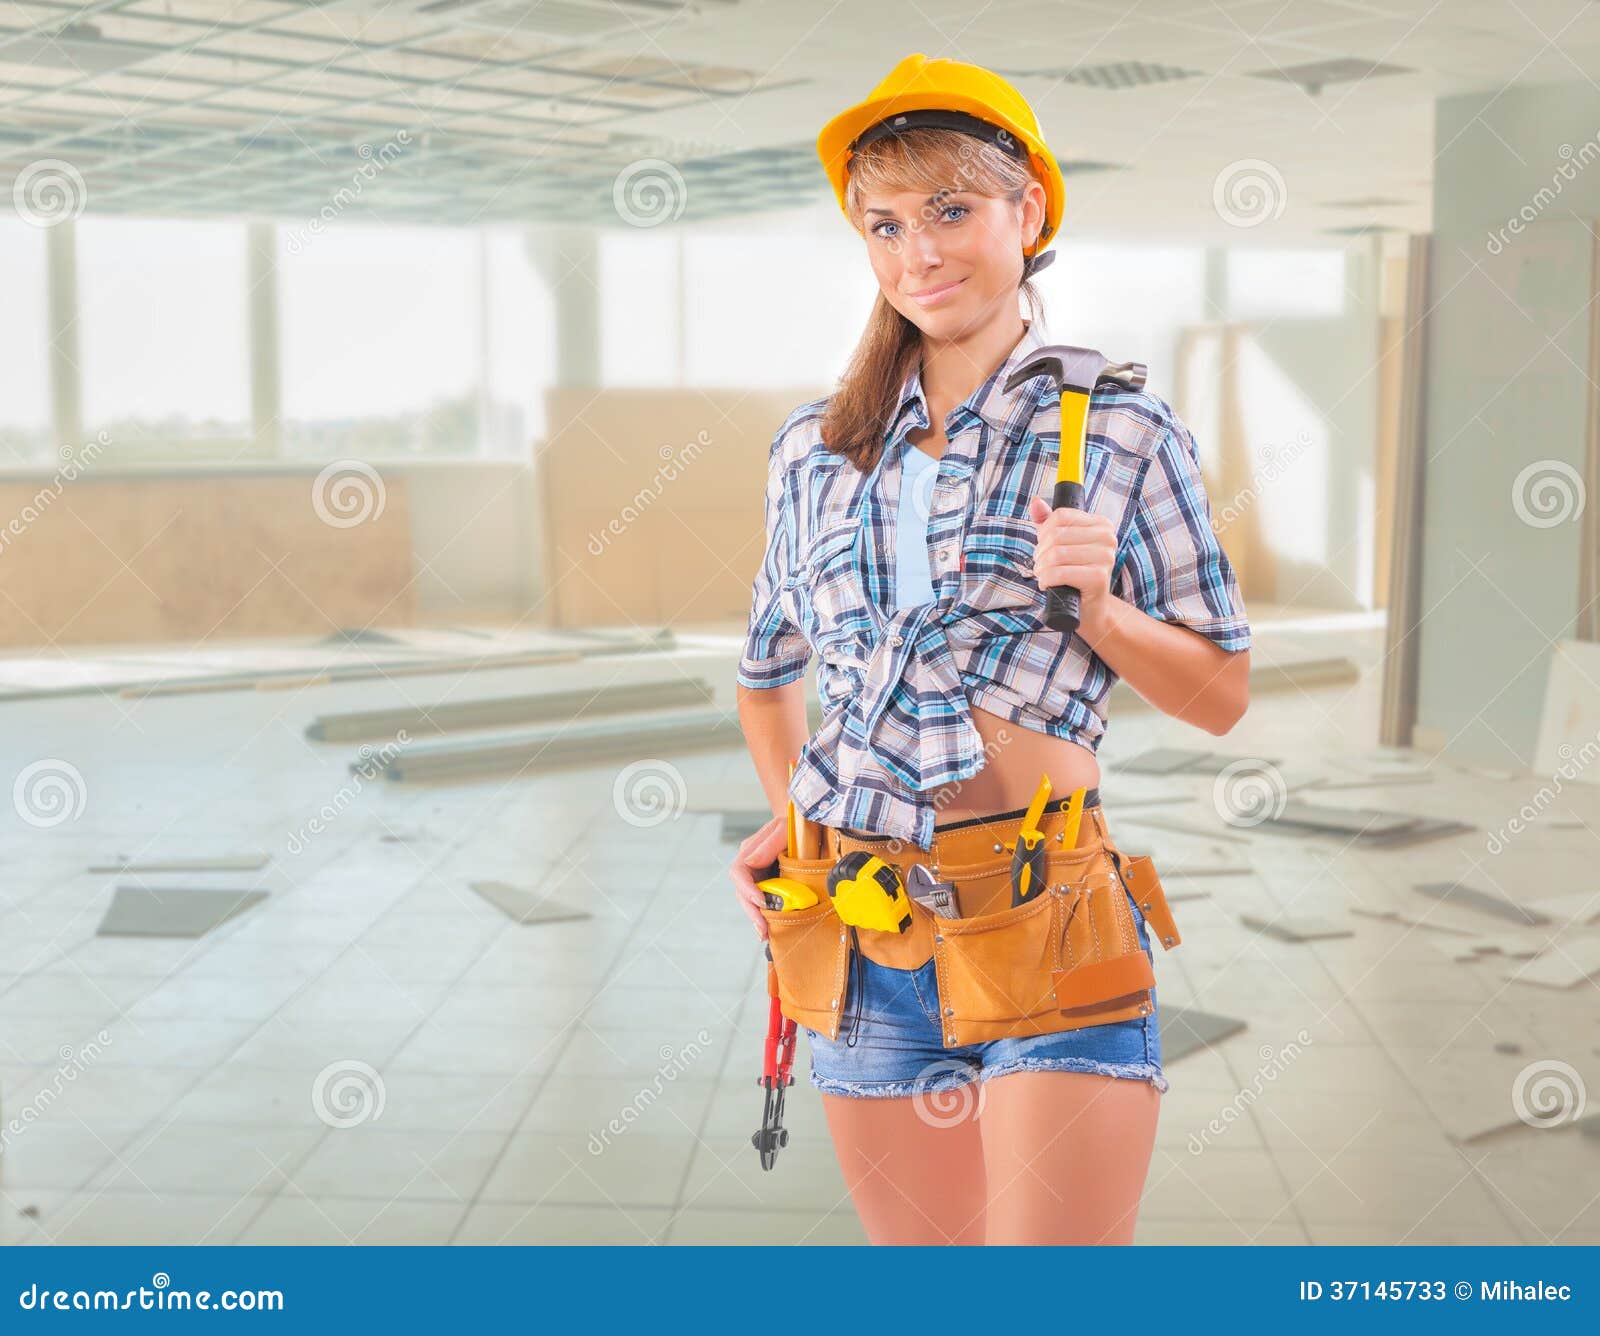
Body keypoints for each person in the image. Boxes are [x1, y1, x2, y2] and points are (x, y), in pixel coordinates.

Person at [729, 53, 1251, 1246]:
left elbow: (1222, 694)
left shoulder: (1117, 426)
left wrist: (1104, 613)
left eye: (952, 210)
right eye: (887, 224)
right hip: (863, 935)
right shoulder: (812, 449)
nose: (921, 251)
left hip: (1048, 925)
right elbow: (767, 670)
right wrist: (791, 816)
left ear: (1029, 211)